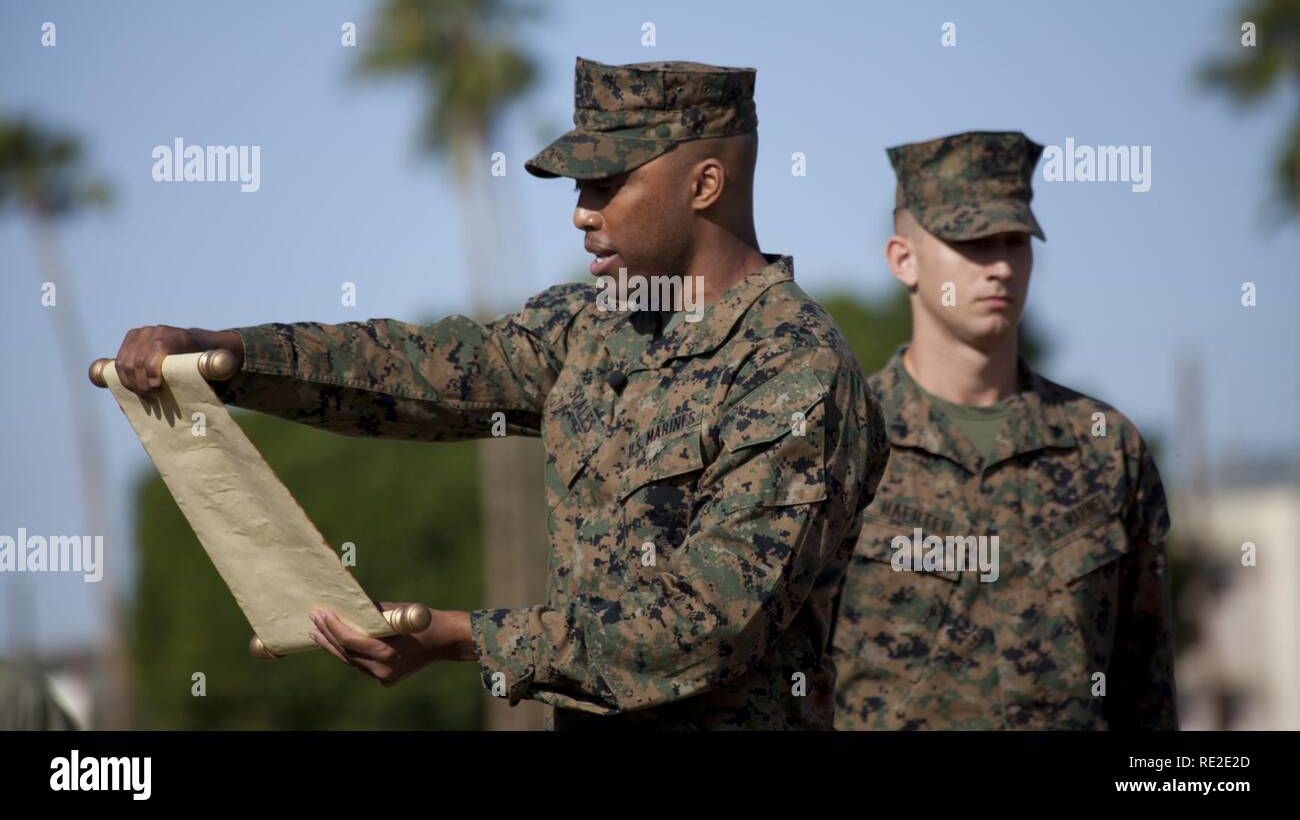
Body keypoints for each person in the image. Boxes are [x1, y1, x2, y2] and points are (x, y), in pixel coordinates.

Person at [113, 58, 888, 730]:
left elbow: (706, 627)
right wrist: (232, 354)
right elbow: (423, 369)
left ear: (706, 184)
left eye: (607, 184)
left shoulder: (796, 369)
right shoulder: (596, 327)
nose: (583, 213)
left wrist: (463, 638)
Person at [830, 130, 1178, 730]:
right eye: (972, 241)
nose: (998, 266)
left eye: (1015, 242)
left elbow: (1145, 689)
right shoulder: (843, 443)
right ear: (903, 260)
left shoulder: (1104, 447)